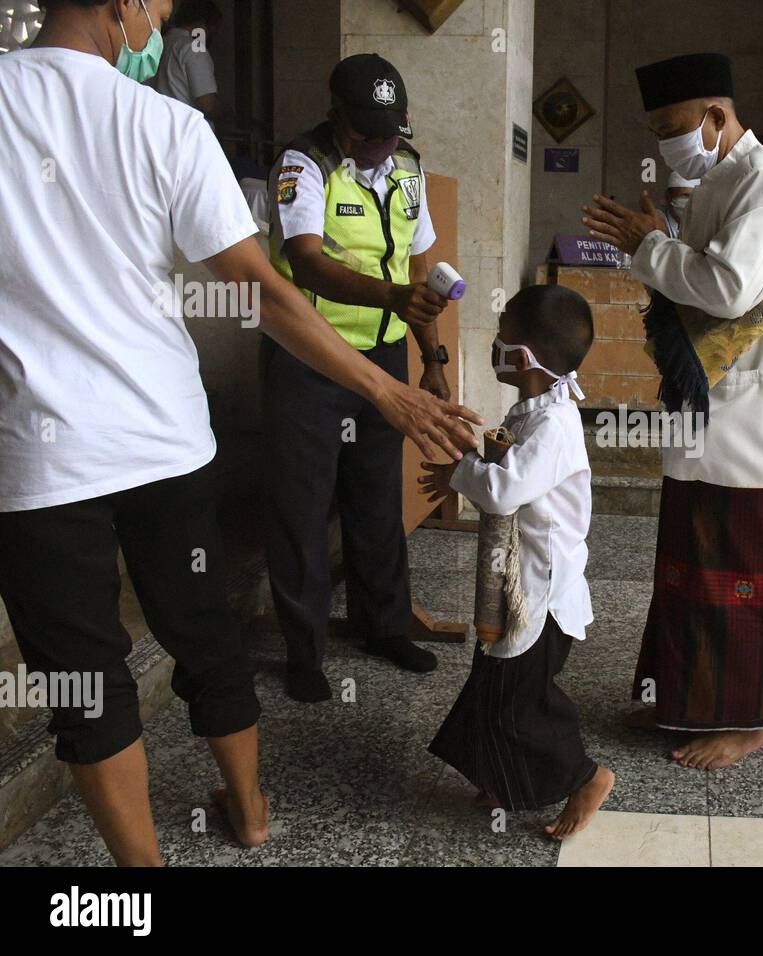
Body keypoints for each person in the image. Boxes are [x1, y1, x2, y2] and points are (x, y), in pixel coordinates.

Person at [0, 0, 478, 866]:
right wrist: (386, 391)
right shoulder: (166, 125)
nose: (162, 22)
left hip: (37, 455)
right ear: (120, 3)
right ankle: (250, 810)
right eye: (158, 7)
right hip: (164, 447)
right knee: (205, 635)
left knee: (86, 678)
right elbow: (265, 287)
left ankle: (139, 877)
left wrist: (400, 381)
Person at [581, 53, 763, 769]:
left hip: (756, 419)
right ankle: (683, 703)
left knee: (740, 575)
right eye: (657, 131)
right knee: (689, 568)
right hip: (713, 407)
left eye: (674, 127)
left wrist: (649, 245)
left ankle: (745, 720)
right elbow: (696, 282)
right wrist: (663, 236)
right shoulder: (717, 181)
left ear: (717, 117)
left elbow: (726, 289)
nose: (666, 144)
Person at [264, 53, 455, 702]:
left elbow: (419, 266)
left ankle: (384, 627)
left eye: (389, 133)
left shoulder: (407, 166)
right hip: (308, 362)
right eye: (365, 133)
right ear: (336, 116)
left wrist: (433, 358)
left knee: (377, 499)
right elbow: (306, 263)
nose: (378, 146)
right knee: (303, 508)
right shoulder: (303, 164)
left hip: (387, 356)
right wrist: (391, 298)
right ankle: (305, 653)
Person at [422, 285, 614, 838]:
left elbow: (505, 491)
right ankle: (501, 777)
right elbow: (503, 468)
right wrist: (465, 456)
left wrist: (461, 470)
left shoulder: (554, 426)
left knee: (518, 706)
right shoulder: (531, 413)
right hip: (520, 584)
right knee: (490, 688)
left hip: (542, 596)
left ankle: (586, 777)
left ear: (523, 356)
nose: (494, 342)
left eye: (502, 332)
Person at [155, 0, 225, 127]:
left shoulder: (160, 44)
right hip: (188, 134)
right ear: (202, 25)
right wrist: (226, 113)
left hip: (160, 128)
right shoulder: (194, 48)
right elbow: (207, 103)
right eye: (212, 29)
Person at [656, 170, 698, 239]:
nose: (690, 202)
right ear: (668, 197)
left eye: (694, 197)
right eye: (685, 196)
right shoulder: (656, 221)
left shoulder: (704, 225)